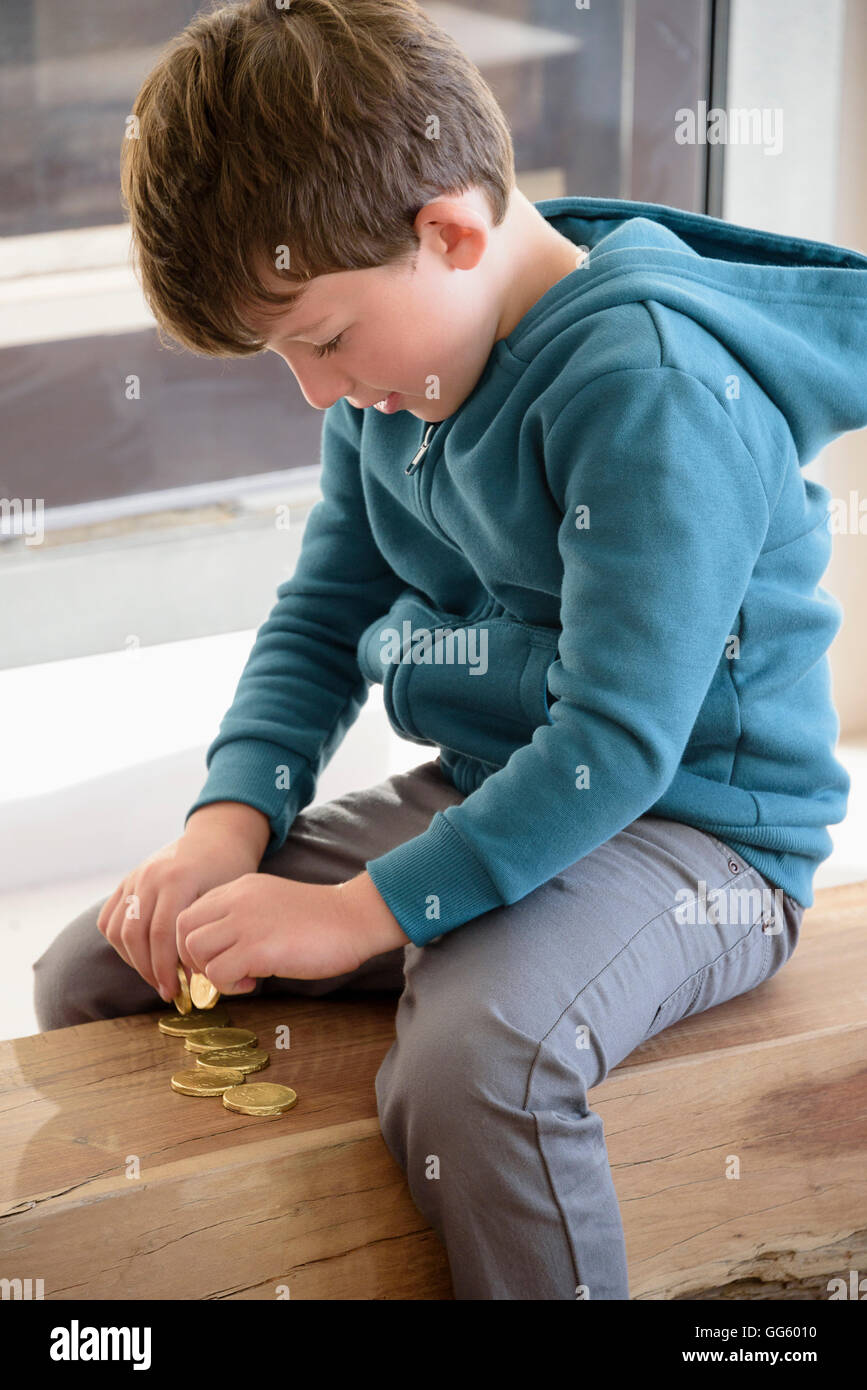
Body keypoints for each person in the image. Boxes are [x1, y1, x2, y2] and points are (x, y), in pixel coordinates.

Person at [33, 0, 867, 1299]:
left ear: (451, 230)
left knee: (476, 1064)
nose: (311, 390)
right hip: (498, 786)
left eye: (316, 338)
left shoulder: (646, 384)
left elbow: (616, 743)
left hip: (702, 836)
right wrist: (227, 824)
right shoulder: (392, 374)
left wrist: (354, 915)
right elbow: (321, 618)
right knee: (99, 964)